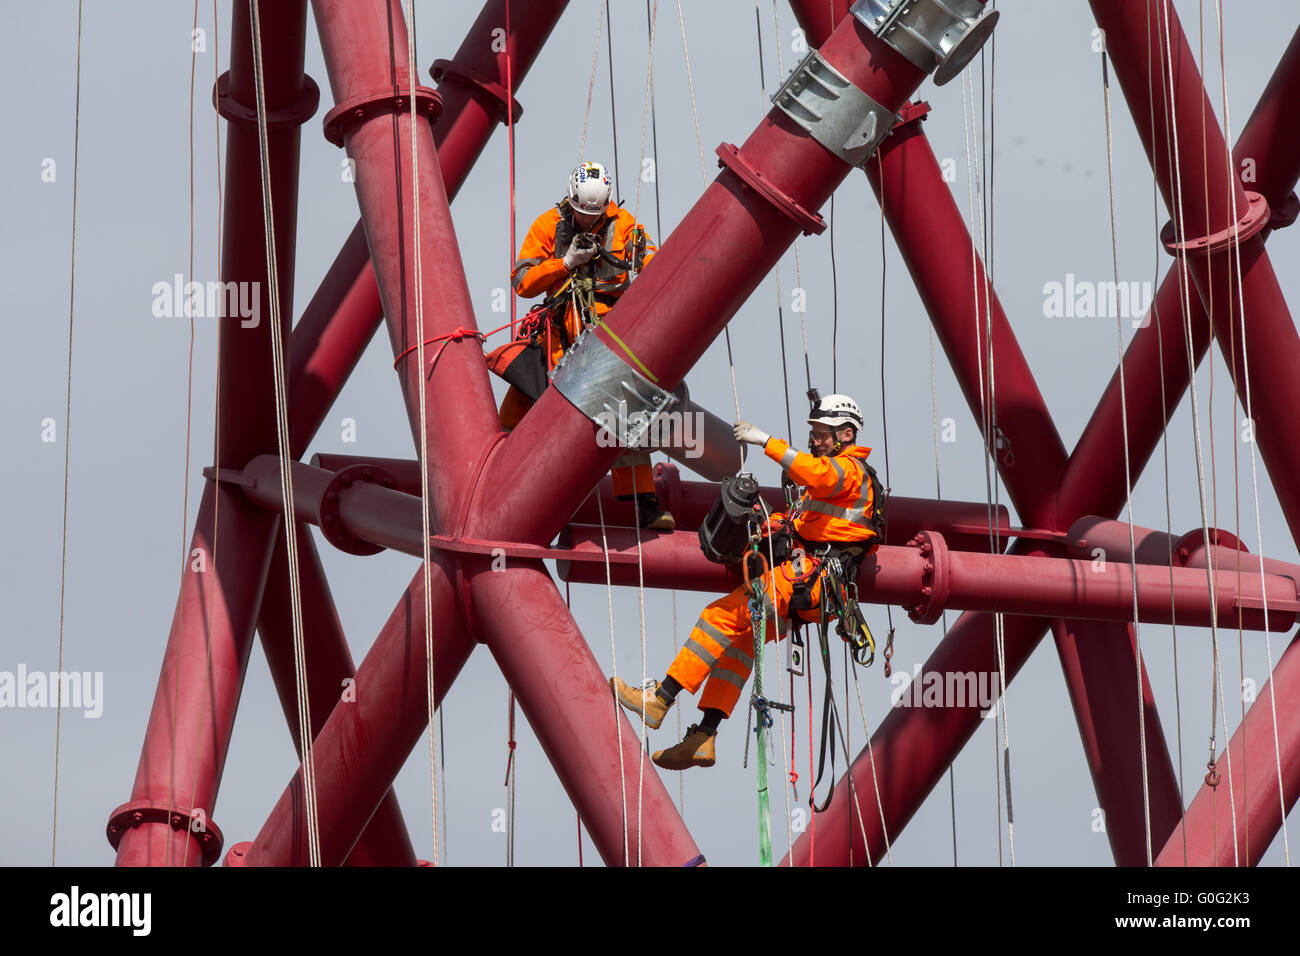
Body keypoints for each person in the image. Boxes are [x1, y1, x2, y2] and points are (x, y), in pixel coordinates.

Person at [610, 394, 880, 769]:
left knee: (718, 616)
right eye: (814, 433)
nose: (815, 440)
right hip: (814, 593)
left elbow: (815, 475)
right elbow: (807, 524)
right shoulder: (839, 485)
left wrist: (766, 441)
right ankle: (704, 735)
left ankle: (660, 698)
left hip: (806, 578)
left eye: (821, 433)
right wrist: (767, 521)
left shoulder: (849, 470)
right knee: (739, 646)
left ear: (846, 433)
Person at [501, 160, 673, 530]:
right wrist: (564, 263)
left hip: (609, 333)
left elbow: (652, 259)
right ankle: (522, 491)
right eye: (580, 213)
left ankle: (644, 503)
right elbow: (522, 281)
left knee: (622, 410)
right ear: (571, 201)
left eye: (592, 215)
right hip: (560, 336)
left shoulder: (624, 226)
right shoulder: (550, 226)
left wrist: (646, 270)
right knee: (536, 412)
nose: (585, 221)